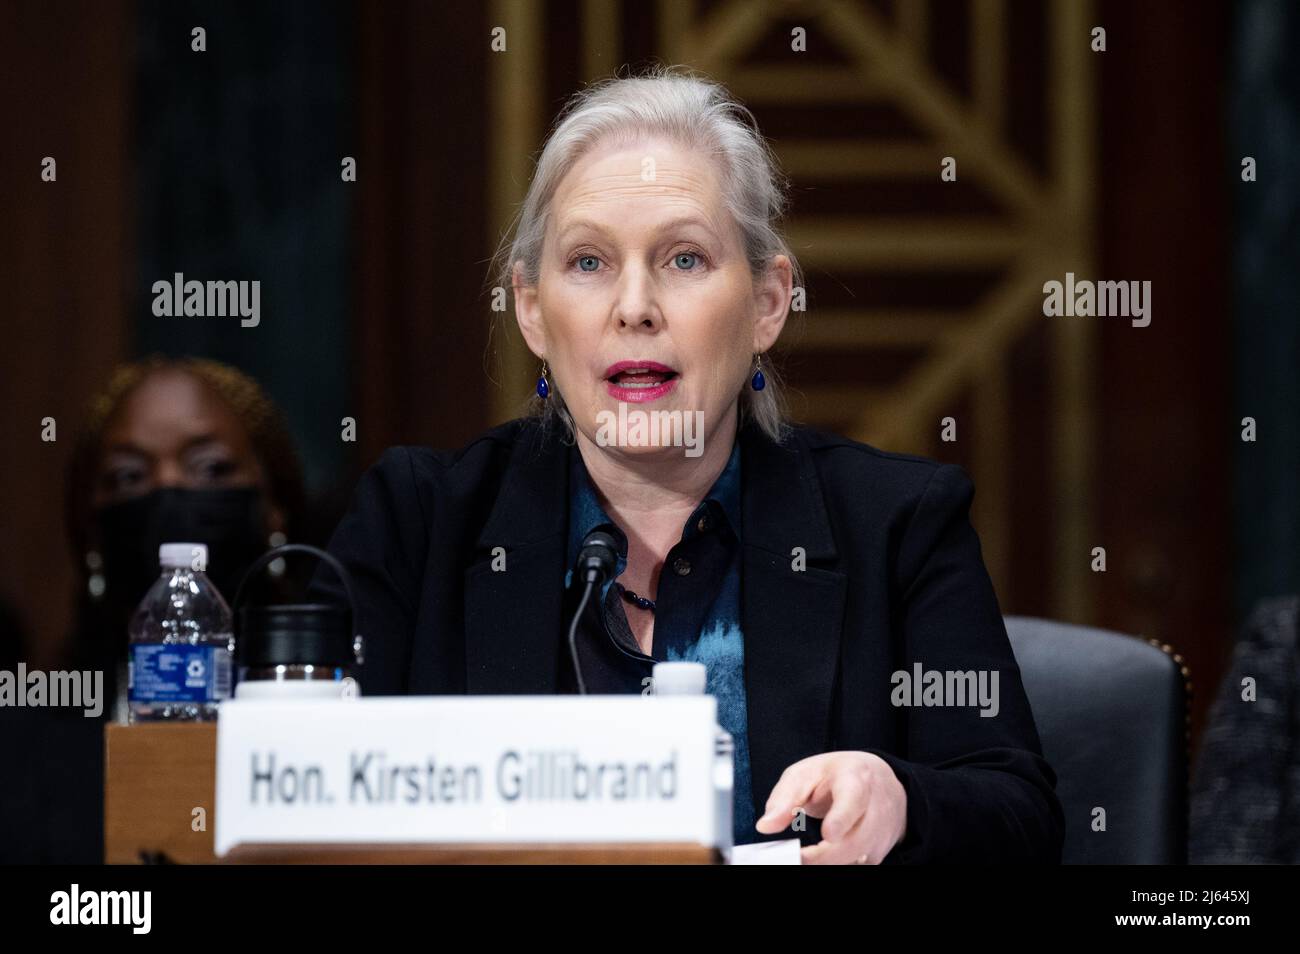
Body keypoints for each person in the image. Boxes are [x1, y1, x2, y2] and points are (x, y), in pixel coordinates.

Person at [317, 66, 1063, 863]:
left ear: (769, 303)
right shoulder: (418, 522)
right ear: (532, 310)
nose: (634, 307)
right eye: (589, 263)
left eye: (683, 260)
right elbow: (305, 798)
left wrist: (900, 798)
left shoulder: (897, 524)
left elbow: (1019, 817)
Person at [0, 356, 305, 863]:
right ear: (90, 530)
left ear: (274, 504)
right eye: (128, 476)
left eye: (209, 467)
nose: (168, 489)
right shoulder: (24, 752)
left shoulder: (335, 709)